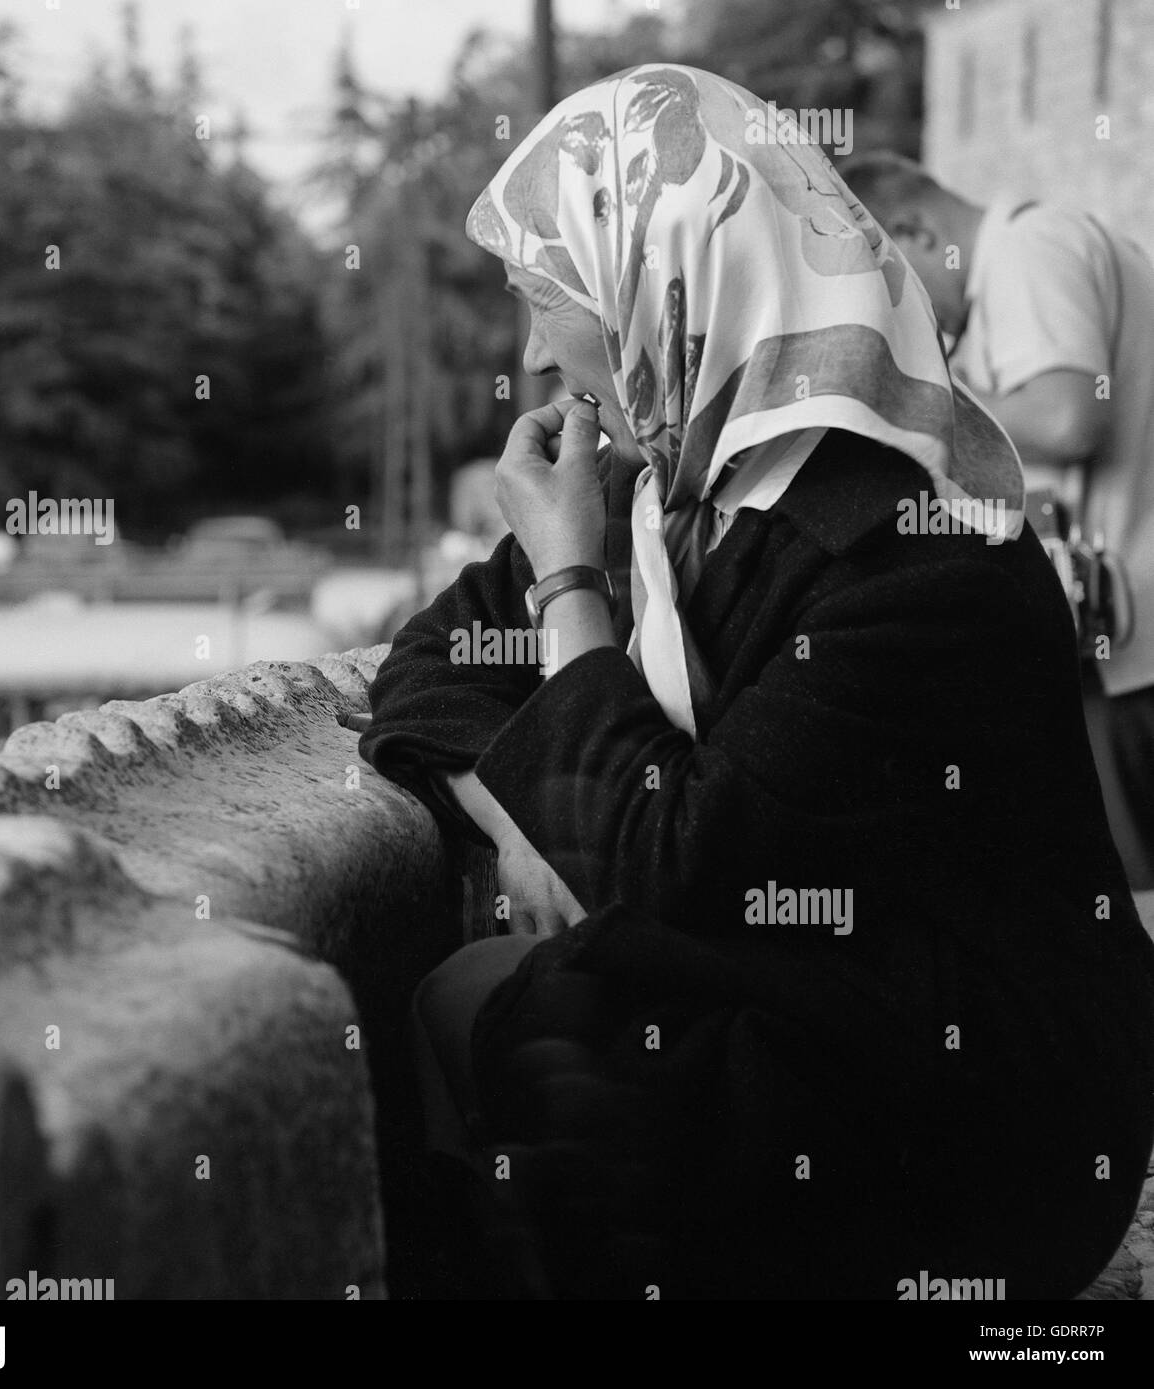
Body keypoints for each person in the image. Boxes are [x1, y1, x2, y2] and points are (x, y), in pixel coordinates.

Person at [357, 66, 1154, 1299]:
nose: (527, 354)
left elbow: (659, 866)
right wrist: (520, 825)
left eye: (546, 299)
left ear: (662, 282)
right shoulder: (665, 497)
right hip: (810, 1019)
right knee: (493, 1003)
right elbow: (429, 666)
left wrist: (567, 584)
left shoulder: (911, 557)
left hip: (970, 1123)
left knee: (543, 1025)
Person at [838, 151, 1154, 889]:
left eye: (892, 289)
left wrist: (903, 407)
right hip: (1123, 647)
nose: (899, 320)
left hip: (1127, 652)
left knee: (1130, 911)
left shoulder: (1025, 249)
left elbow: (1067, 416)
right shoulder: (1041, 250)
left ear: (916, 230)